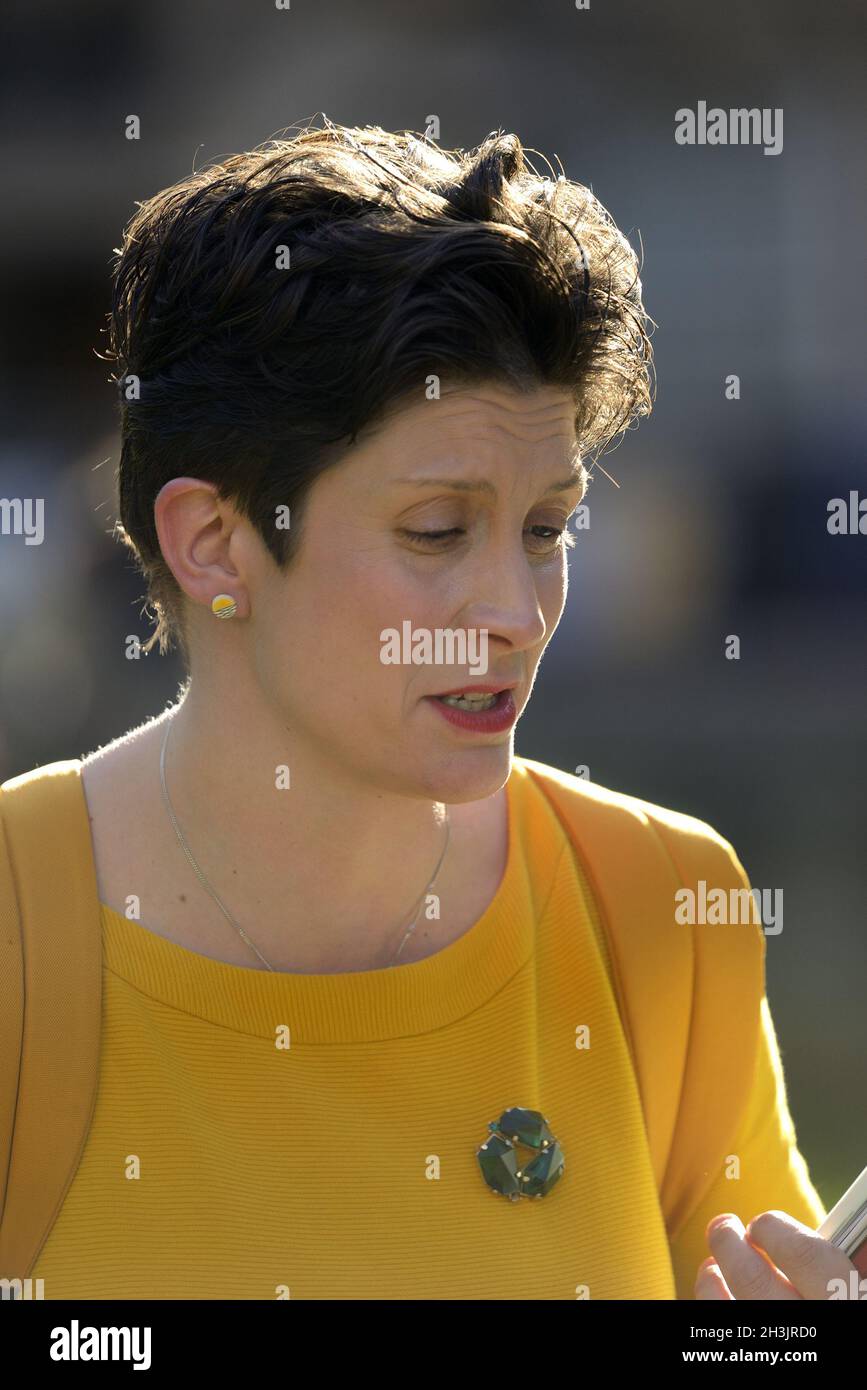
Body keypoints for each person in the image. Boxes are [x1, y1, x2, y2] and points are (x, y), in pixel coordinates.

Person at [1, 120, 848, 1300]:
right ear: (214, 540)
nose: (516, 609)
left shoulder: (658, 910)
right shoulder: (15, 930)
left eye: (547, 529)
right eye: (437, 531)